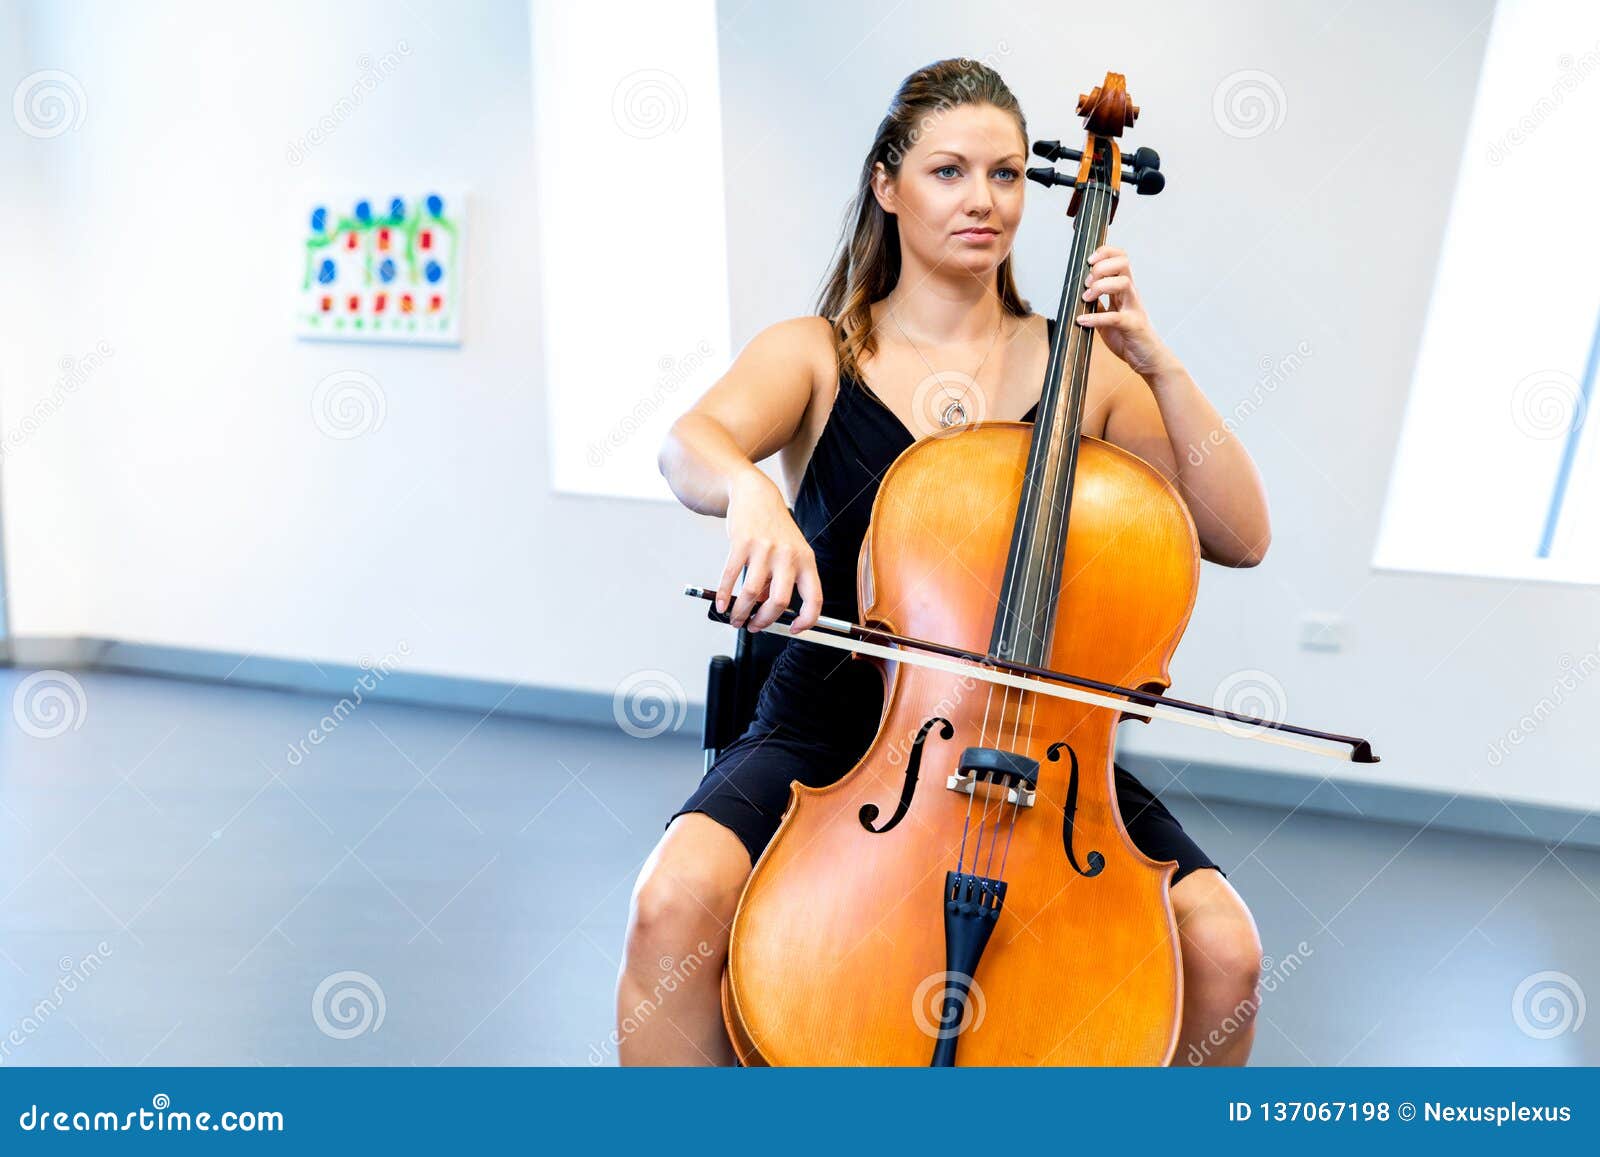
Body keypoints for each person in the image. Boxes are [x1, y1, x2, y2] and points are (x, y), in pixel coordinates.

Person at [619, 58, 1271, 1066]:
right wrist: (751, 490)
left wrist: (1157, 363)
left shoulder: (1083, 371)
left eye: (1007, 174)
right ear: (886, 184)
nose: (983, 200)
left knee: (1224, 949)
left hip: (1040, 746)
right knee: (672, 898)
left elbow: (1239, 534)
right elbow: (687, 442)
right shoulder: (817, 352)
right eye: (948, 171)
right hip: (825, 726)